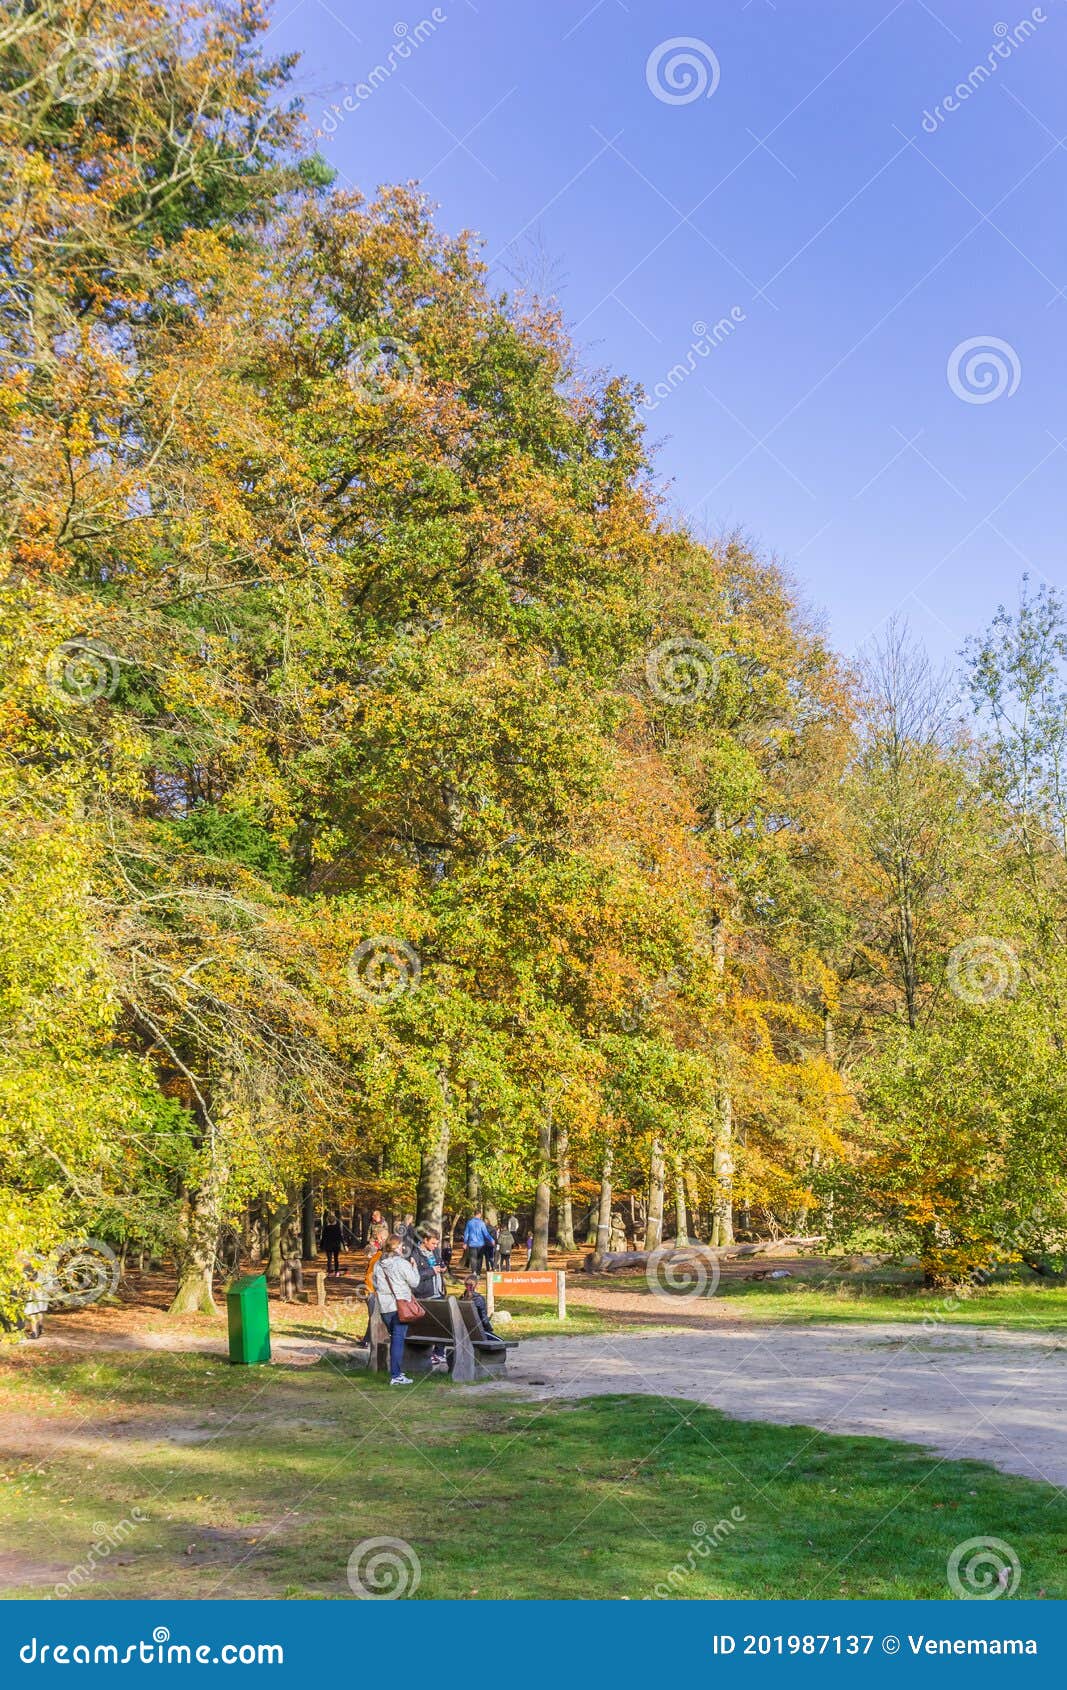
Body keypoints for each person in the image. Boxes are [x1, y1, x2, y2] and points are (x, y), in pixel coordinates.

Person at [371, 1234, 420, 1385]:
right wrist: (415, 1268)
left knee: (395, 1338)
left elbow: (374, 1283)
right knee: (398, 1340)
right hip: (400, 1306)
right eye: (400, 1246)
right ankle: (396, 1375)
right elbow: (415, 1282)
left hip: (385, 1307)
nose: (402, 1248)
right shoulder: (401, 1263)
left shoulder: (378, 1264)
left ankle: (396, 1371)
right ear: (397, 1247)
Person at [411, 1227, 448, 1372]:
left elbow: (439, 1262)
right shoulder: (415, 1254)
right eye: (433, 1243)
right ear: (425, 1240)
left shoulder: (435, 1251)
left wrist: (443, 1266)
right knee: (431, 1325)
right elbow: (415, 1276)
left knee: (443, 1321)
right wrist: (432, 1271)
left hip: (438, 1291)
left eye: (437, 1243)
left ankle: (439, 1352)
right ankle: (434, 1352)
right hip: (425, 1293)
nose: (435, 1246)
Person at [464, 1208, 493, 1274]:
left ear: (474, 1214)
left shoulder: (469, 1222)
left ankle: (474, 1272)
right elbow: (486, 1233)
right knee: (479, 1259)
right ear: (479, 1214)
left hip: (472, 1244)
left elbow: (466, 1233)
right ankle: (478, 1273)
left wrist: (465, 1242)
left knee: (473, 1258)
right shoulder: (482, 1223)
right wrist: (492, 1240)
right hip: (480, 1244)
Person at [320, 1210, 343, 1276]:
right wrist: (344, 1245)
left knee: (329, 1259)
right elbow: (340, 1237)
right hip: (336, 1245)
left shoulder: (326, 1228)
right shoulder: (337, 1227)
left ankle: (329, 1272)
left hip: (328, 1245)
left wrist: (321, 1245)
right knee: (336, 1259)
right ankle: (336, 1272)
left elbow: (323, 1237)